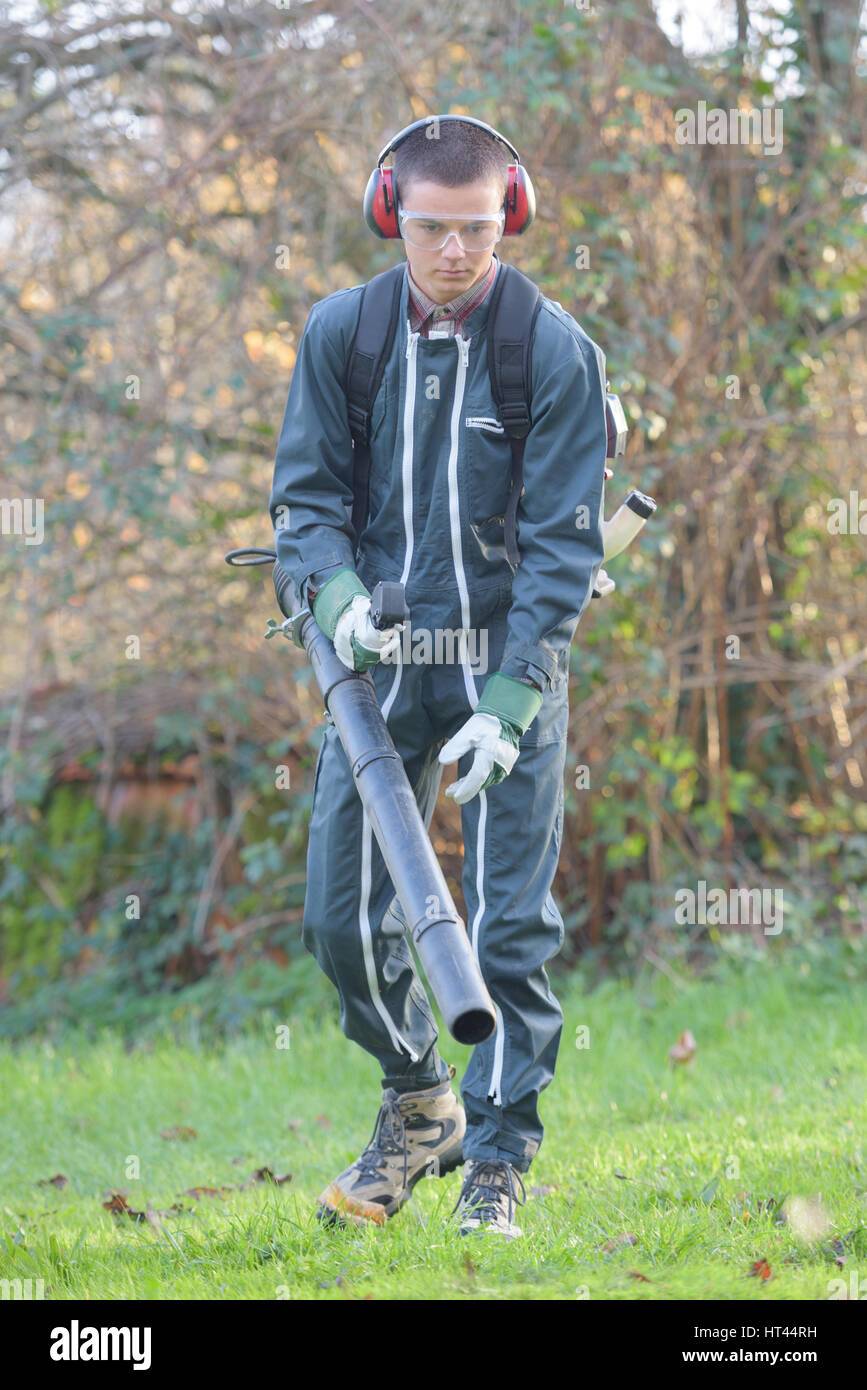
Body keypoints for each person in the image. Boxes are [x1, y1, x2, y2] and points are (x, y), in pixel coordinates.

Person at [269, 116, 608, 1240]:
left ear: (508, 215)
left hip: (508, 659)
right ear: (390, 215)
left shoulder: (551, 350)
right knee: (339, 921)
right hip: (377, 663)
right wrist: (332, 597)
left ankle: (499, 1159)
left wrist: (512, 706)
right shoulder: (342, 334)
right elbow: (303, 507)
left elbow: (565, 550)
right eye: (432, 229)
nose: (456, 252)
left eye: (476, 229)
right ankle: (421, 1098)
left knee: (507, 930)